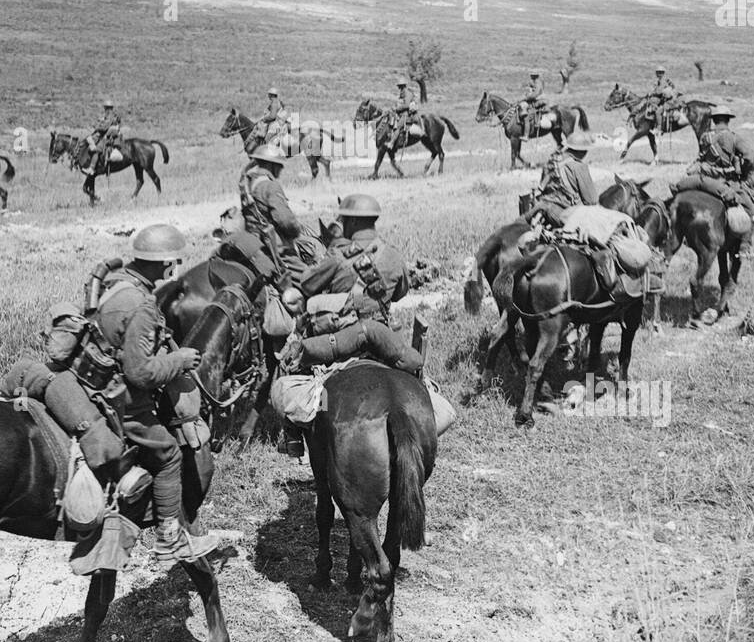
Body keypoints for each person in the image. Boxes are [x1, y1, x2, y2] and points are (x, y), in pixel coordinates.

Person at [54, 224, 219, 564]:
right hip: (119, 400)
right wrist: (179, 359)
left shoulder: (116, 286)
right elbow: (140, 372)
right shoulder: (141, 305)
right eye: (172, 263)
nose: (173, 270)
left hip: (87, 378)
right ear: (164, 266)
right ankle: (168, 538)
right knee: (169, 452)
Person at [273, 194, 454, 454]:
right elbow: (401, 292)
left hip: (340, 345)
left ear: (354, 221)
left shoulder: (336, 256)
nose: (342, 223)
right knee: (418, 380)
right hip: (384, 344)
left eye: (344, 219)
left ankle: (295, 438)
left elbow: (307, 287)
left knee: (290, 368)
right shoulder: (392, 255)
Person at [673, 105, 754, 257]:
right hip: (725, 181)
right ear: (728, 120)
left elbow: (701, 157)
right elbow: (751, 157)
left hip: (703, 178)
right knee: (752, 209)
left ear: (714, 120)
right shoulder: (733, 138)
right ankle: (745, 246)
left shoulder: (705, 137)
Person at [238, 143, 319, 280]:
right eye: (279, 164)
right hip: (276, 249)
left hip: (253, 241)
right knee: (311, 280)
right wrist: (297, 230)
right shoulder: (270, 186)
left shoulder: (250, 183)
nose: (281, 168)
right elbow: (286, 221)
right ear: (271, 165)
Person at [523, 131, 599, 229]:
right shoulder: (579, 167)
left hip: (541, 206)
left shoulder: (552, 160)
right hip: (561, 213)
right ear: (582, 151)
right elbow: (591, 201)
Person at [87, 100, 124, 169]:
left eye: (105, 108)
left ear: (107, 108)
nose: (105, 109)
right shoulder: (112, 115)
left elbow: (105, 128)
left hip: (109, 135)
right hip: (110, 134)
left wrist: (97, 127)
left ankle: (91, 168)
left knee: (97, 150)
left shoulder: (110, 116)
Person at [521, 68, 547, 135]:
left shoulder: (538, 82)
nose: (530, 76)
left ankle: (527, 133)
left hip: (539, 100)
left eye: (532, 75)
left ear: (535, 75)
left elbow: (535, 94)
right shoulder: (534, 81)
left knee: (526, 113)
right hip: (535, 99)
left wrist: (526, 98)